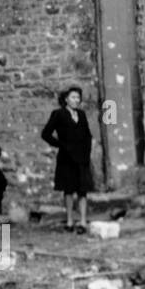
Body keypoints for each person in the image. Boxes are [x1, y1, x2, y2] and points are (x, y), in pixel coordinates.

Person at [42, 86, 94, 232]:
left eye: (78, 97)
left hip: (82, 157)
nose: (76, 100)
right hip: (67, 157)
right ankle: (70, 221)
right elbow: (46, 134)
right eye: (73, 97)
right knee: (69, 190)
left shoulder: (82, 114)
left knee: (83, 190)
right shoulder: (58, 114)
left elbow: (87, 135)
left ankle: (83, 222)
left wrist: (87, 151)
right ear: (66, 99)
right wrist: (60, 145)